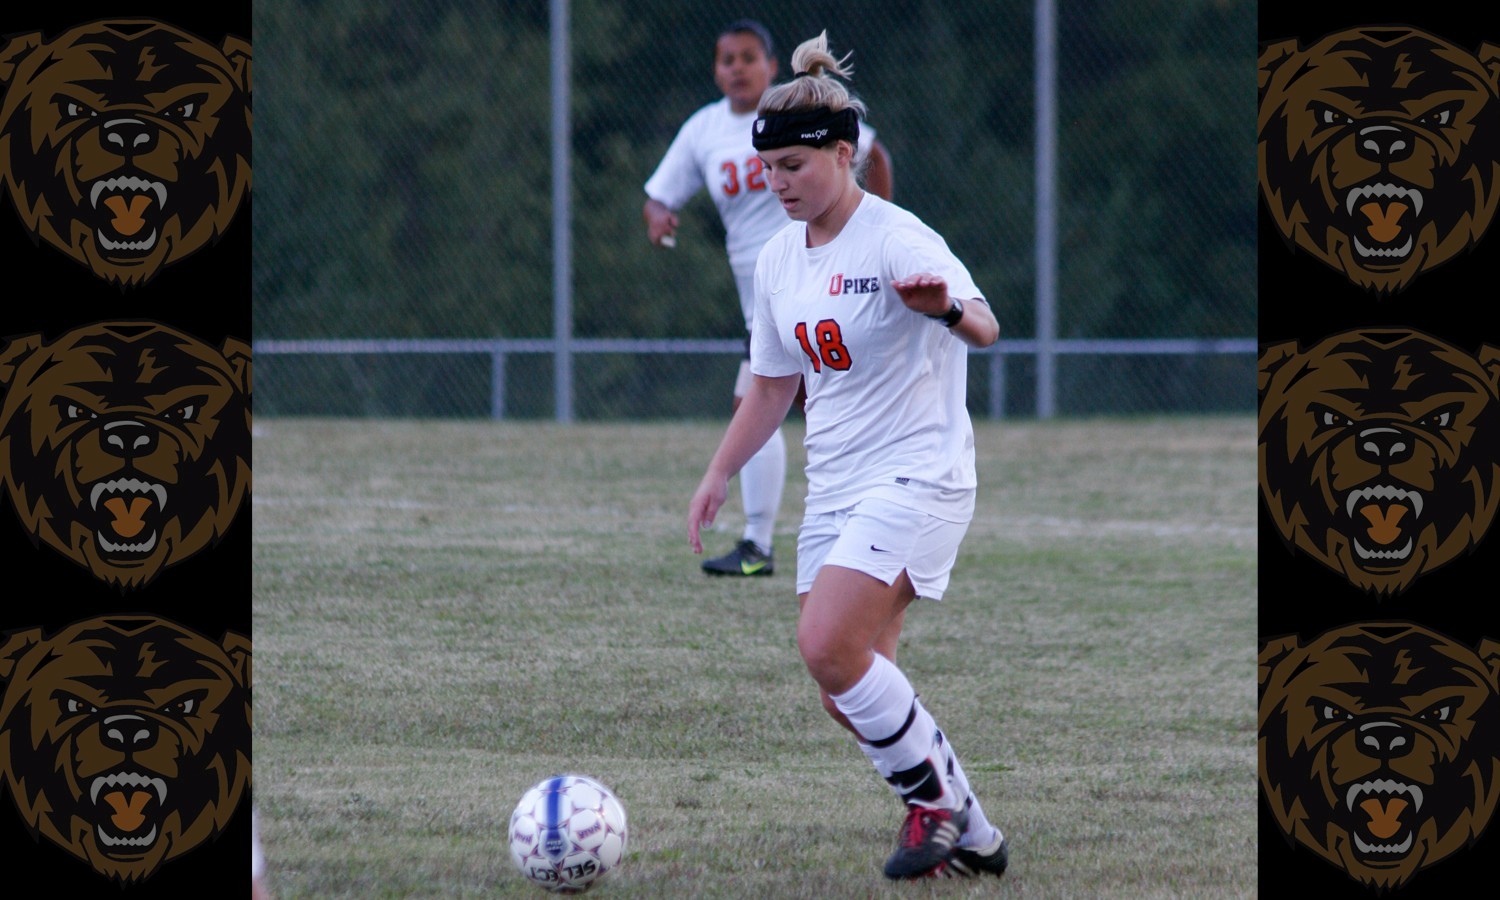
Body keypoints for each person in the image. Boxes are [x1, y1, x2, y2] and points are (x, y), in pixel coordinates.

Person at [685, 30, 1008, 881]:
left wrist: (944, 310)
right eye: (767, 170)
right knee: (847, 690)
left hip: (919, 475)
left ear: (844, 153)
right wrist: (718, 473)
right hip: (834, 486)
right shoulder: (776, 260)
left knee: (827, 643)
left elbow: (985, 324)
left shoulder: (899, 237)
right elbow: (769, 386)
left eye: (793, 166)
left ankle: (930, 804)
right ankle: (972, 832)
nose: (776, 184)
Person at [645, 18, 893, 578]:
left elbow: (872, 156)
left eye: (748, 57)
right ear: (715, 69)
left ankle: (764, 541)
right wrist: (658, 216)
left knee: (767, 398)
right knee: (798, 399)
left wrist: (871, 232)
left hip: (822, 276)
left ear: (771, 65)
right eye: (726, 59)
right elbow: (659, 194)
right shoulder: (704, 130)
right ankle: (858, 516)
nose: (736, 68)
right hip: (766, 288)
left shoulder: (799, 120)